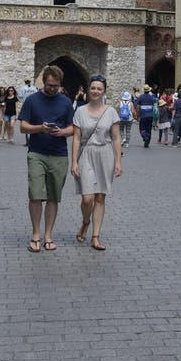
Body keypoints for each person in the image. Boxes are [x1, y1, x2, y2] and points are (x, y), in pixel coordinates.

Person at [18, 65, 74, 252]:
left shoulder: (65, 102)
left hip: (59, 154)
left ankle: (48, 235)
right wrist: (40, 128)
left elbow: (73, 128)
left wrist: (62, 132)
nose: (52, 89)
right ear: (43, 82)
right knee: (35, 194)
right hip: (36, 153)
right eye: (49, 85)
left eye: (56, 86)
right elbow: (23, 127)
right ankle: (36, 234)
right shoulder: (32, 100)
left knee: (53, 197)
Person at [71, 74, 122, 251]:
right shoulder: (80, 111)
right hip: (86, 154)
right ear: (88, 89)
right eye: (93, 88)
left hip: (105, 154)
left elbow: (116, 137)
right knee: (87, 198)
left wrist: (118, 161)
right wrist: (74, 162)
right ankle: (86, 222)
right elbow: (76, 138)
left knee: (100, 197)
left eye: (99, 88)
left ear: (104, 91)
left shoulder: (111, 112)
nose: (95, 91)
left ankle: (95, 236)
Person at [136, 83, 156, 148]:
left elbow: (138, 107)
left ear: (144, 90)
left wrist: (137, 116)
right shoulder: (152, 97)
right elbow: (154, 107)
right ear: (149, 90)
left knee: (142, 129)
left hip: (143, 116)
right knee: (149, 129)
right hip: (150, 116)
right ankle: (147, 141)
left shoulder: (140, 97)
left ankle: (145, 137)